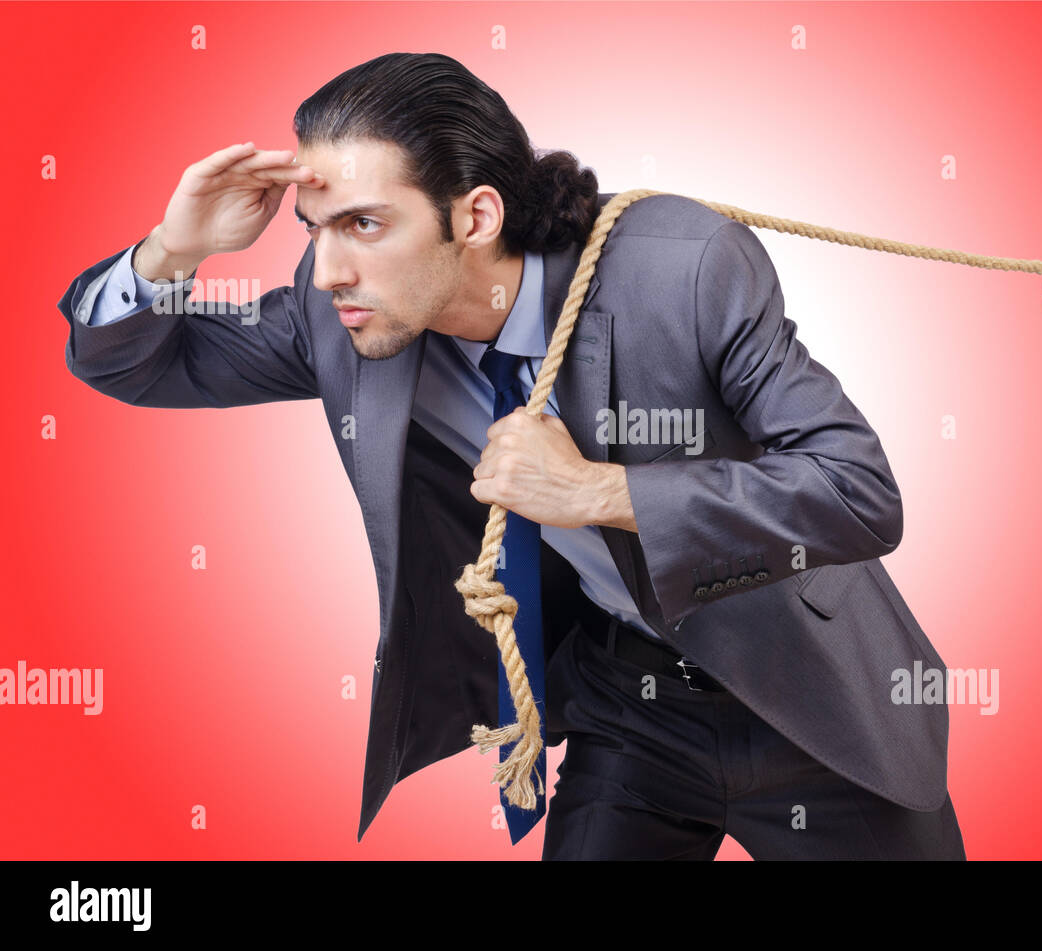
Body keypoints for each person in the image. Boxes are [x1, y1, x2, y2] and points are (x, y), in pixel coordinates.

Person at [56, 51, 965, 860]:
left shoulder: (680, 269)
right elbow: (143, 363)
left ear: (477, 214)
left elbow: (856, 490)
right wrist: (173, 249)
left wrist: (600, 489)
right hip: (629, 703)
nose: (329, 269)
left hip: (805, 690)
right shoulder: (347, 316)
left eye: (365, 225)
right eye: (315, 229)